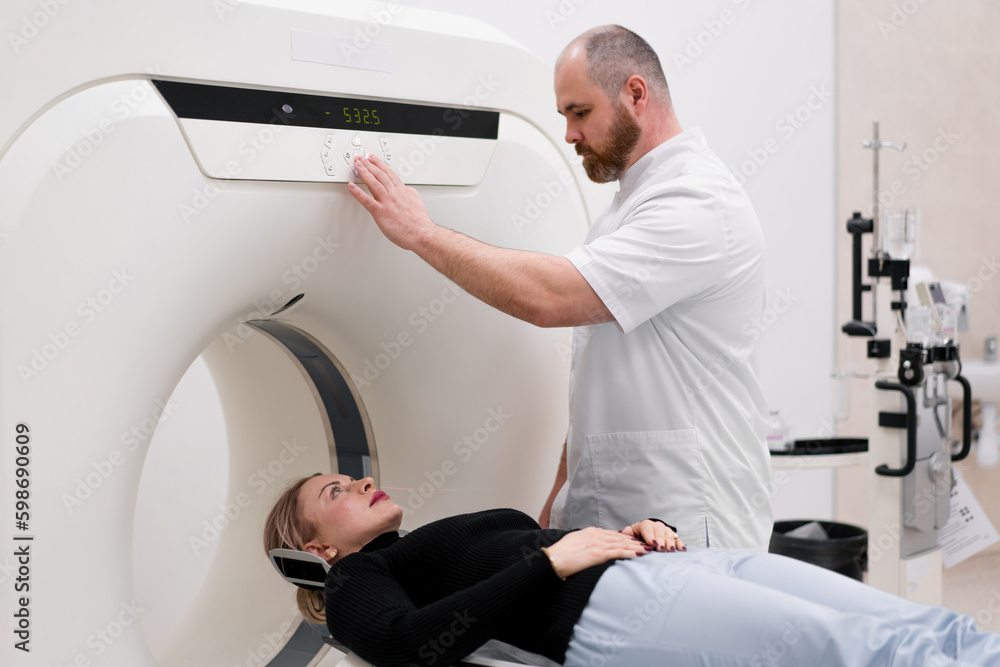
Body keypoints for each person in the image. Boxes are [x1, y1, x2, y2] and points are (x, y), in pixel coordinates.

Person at [346, 25, 771, 550]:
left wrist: (422, 234)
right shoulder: (628, 207)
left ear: (635, 94)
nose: (569, 134)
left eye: (580, 112)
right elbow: (601, 373)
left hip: (688, 513)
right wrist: (561, 491)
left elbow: (550, 298)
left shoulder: (698, 203)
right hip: (610, 509)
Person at [263, 473, 1000, 667]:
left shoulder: (417, 546)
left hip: (653, 570)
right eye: (335, 493)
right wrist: (552, 561)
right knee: (867, 650)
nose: (360, 484)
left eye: (352, 478)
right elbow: (404, 646)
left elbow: (538, 563)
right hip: (612, 618)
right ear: (317, 548)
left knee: (918, 626)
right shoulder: (353, 582)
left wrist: (627, 534)